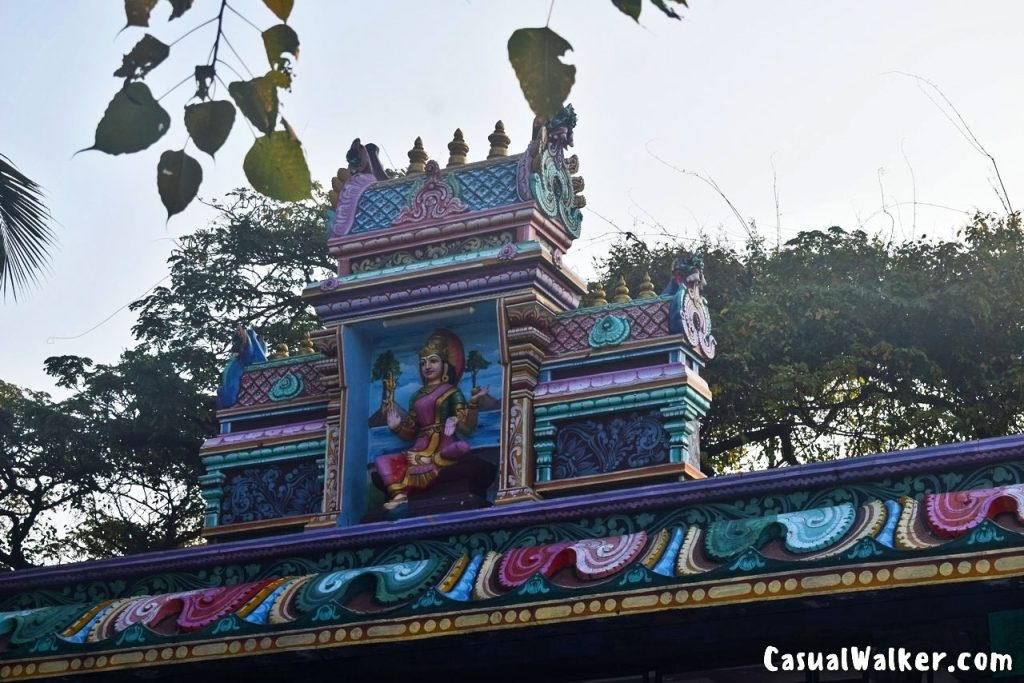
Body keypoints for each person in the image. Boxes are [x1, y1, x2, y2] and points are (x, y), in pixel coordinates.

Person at [374, 330, 489, 510]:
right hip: (418, 448)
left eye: (433, 361)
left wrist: (472, 405)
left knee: (462, 448)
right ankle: (400, 494)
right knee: (381, 461)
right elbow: (411, 431)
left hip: (444, 443)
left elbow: (467, 429)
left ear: (444, 365)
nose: (427, 366)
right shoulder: (416, 396)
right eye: (423, 363)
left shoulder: (452, 392)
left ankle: (432, 460)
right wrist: (396, 427)